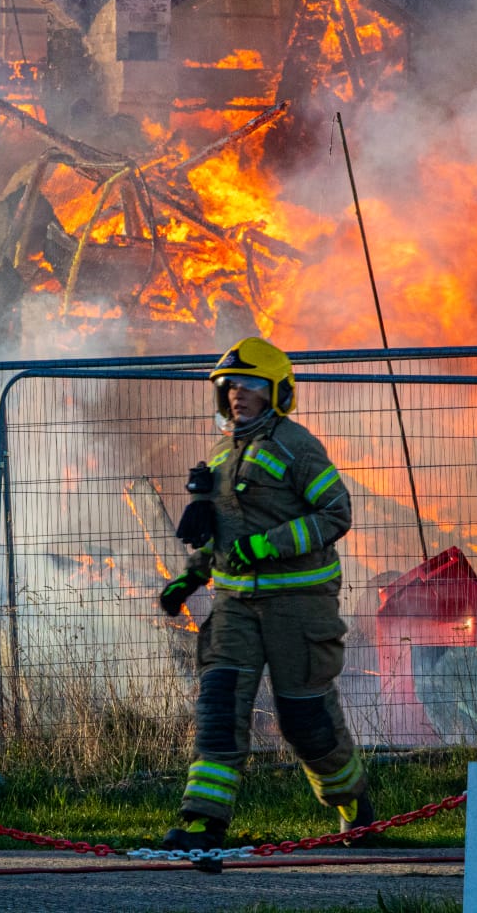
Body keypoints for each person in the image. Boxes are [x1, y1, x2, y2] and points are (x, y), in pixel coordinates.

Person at [157, 336, 373, 872]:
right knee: (219, 705)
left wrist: (268, 546)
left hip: (298, 607)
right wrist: (189, 578)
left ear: (277, 392)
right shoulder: (220, 455)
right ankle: (204, 823)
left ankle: (353, 806)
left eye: (250, 384)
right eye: (229, 385)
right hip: (235, 605)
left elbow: (336, 513)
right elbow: (219, 535)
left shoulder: (298, 447)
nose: (237, 394)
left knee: (304, 721)